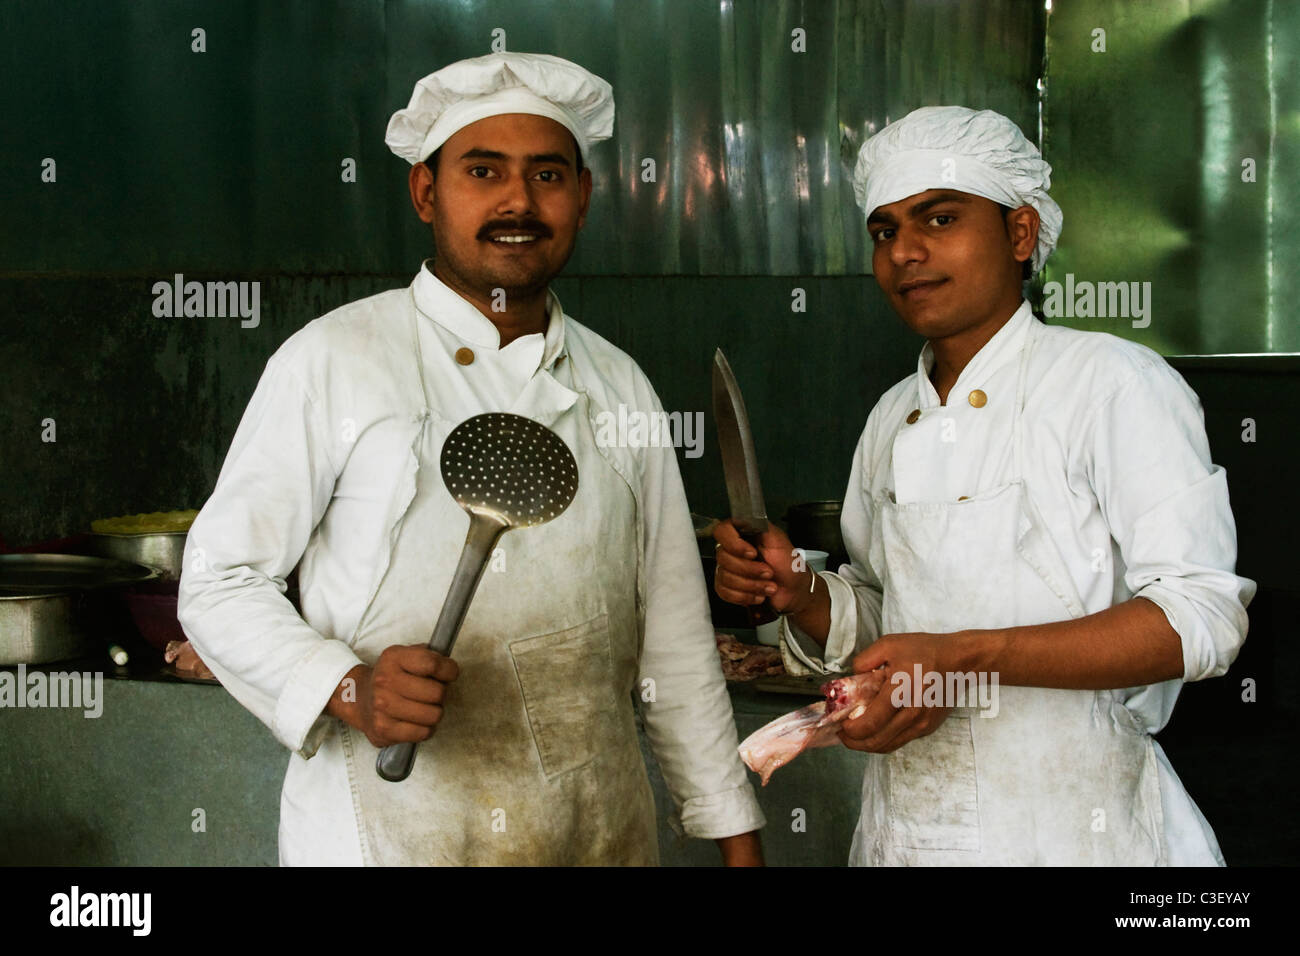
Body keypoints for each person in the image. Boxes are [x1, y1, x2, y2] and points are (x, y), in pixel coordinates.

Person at [178, 52, 764, 866]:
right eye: (483, 170)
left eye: (548, 174)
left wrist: (734, 837)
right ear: (426, 192)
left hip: (592, 832)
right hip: (392, 833)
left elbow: (672, 635)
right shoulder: (334, 361)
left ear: (583, 198)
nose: (518, 201)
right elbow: (218, 579)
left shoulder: (619, 384)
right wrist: (348, 689)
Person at [713, 106, 1253, 866]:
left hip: (1074, 828)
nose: (906, 251)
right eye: (884, 231)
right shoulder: (890, 418)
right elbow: (882, 609)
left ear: (1021, 234)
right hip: (910, 830)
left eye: (939, 217)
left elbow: (1200, 616)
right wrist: (800, 590)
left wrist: (962, 658)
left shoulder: (1111, 384)